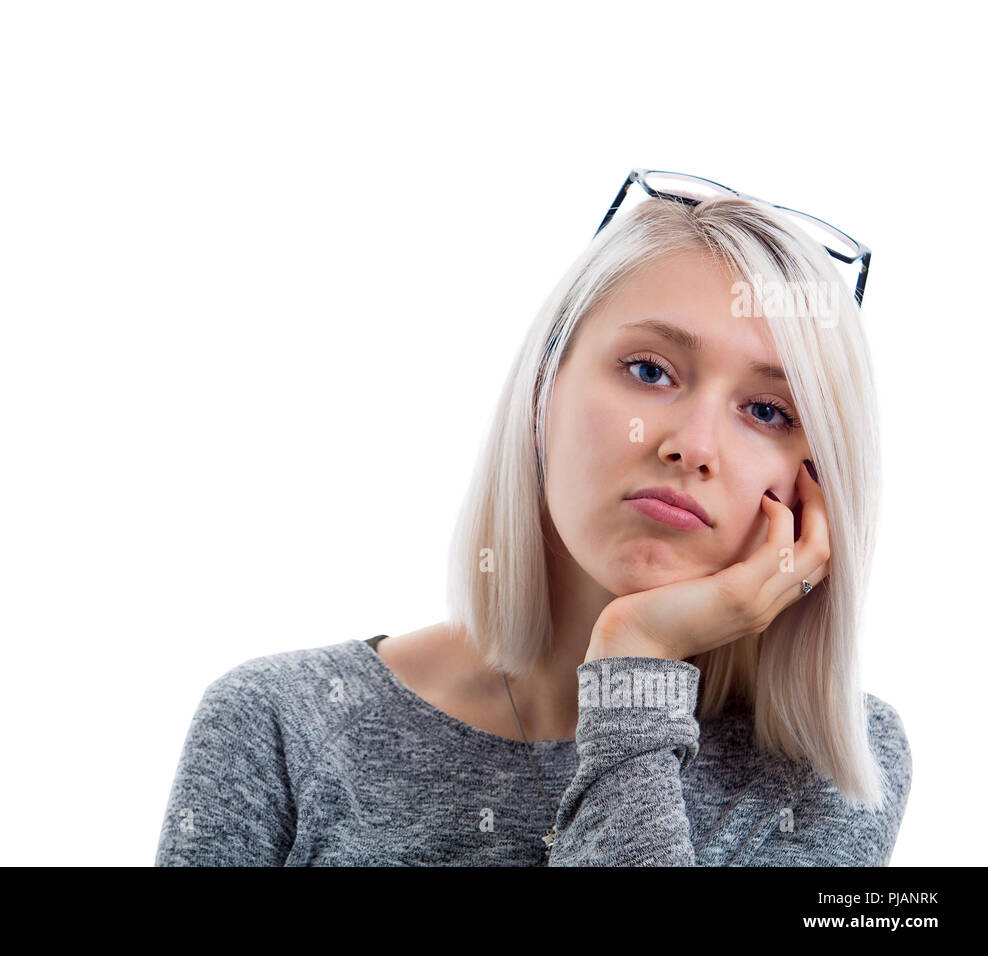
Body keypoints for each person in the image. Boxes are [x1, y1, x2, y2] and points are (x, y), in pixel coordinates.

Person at [155, 178, 911, 865]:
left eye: (767, 411)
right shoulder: (281, 726)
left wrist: (635, 665)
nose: (693, 446)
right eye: (650, 371)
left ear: (814, 483)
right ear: (545, 388)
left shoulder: (828, 774)